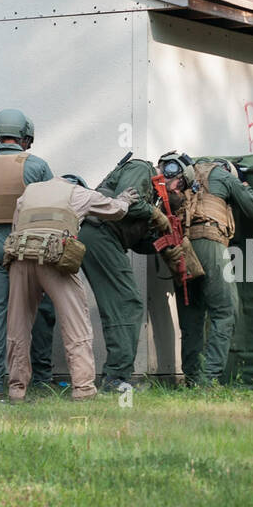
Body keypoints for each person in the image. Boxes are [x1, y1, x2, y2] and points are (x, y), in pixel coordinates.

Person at [4, 175, 135, 401]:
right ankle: (83, 390)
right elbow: (117, 210)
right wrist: (125, 198)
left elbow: (16, 225)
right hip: (55, 260)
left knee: (17, 327)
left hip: (20, 258)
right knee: (76, 325)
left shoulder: (29, 191)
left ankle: (16, 390)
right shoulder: (79, 193)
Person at [0, 109, 54, 397]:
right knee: (37, 310)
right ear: (25, 135)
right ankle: (39, 379)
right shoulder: (38, 166)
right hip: (27, 241)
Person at [77, 152, 171, 392]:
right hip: (99, 233)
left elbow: (136, 242)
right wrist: (155, 214)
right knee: (126, 303)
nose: (177, 190)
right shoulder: (143, 168)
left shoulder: (154, 193)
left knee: (122, 303)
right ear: (170, 171)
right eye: (178, 182)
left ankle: (116, 376)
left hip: (103, 237)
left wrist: (163, 242)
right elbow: (127, 203)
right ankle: (116, 379)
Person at [174, 155, 253, 386]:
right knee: (225, 310)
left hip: (179, 248)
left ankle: (192, 379)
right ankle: (208, 379)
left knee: (191, 315)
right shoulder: (221, 174)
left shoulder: (183, 176)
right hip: (209, 242)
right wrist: (243, 184)